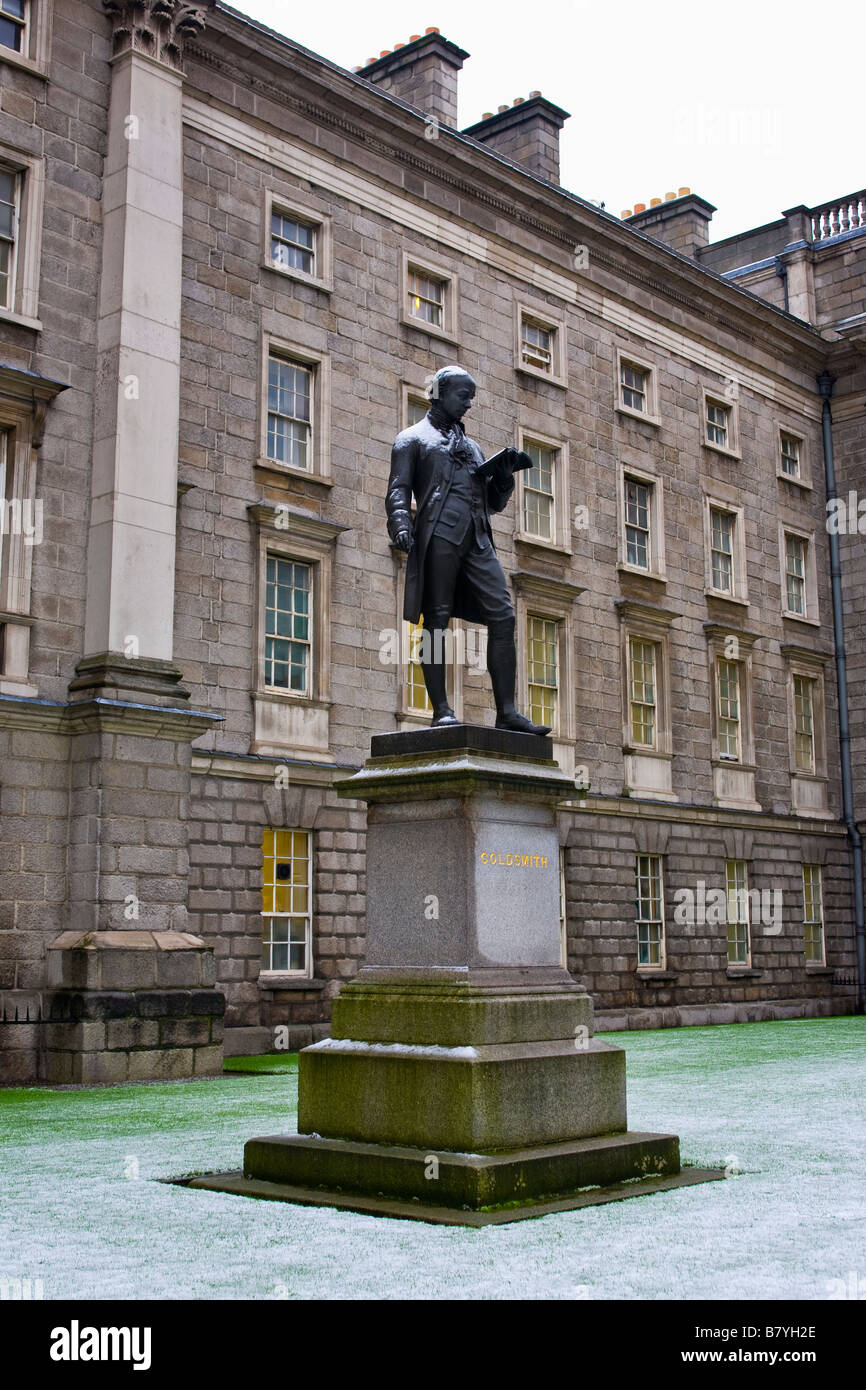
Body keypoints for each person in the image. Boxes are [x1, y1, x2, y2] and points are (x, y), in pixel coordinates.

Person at [385, 365, 551, 735]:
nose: (469, 404)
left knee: (503, 614)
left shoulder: (473, 448)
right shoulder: (412, 439)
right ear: (439, 393)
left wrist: (505, 478)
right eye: (464, 395)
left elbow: (491, 502)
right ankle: (441, 709)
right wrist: (399, 522)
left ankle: (506, 711)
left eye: (472, 397)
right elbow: (399, 488)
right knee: (437, 622)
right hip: (439, 536)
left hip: (477, 538)